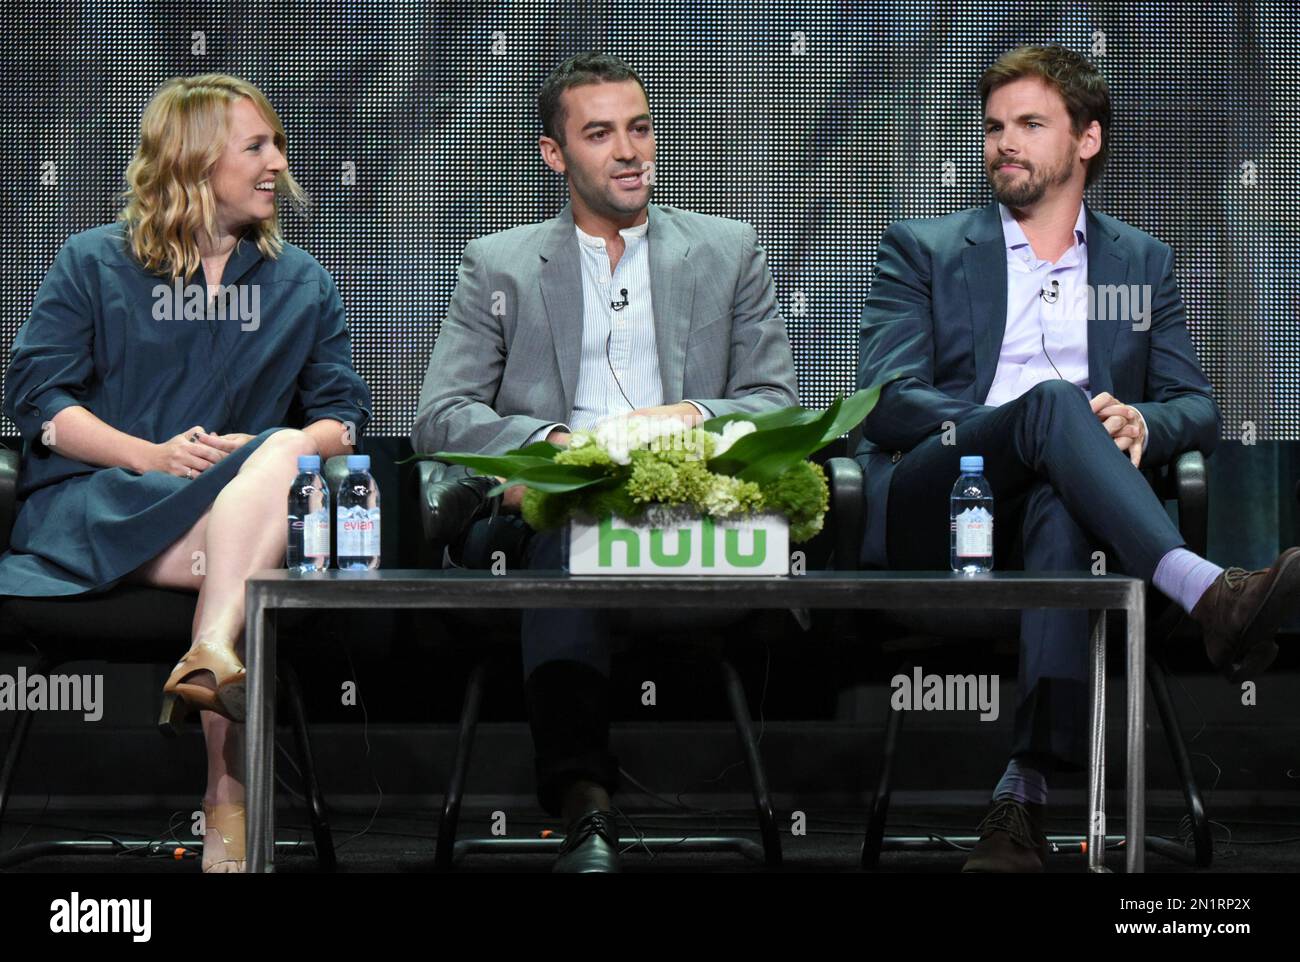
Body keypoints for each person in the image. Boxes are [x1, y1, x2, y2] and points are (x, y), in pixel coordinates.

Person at [856, 44, 1299, 873]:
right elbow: (884, 398)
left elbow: (1195, 406)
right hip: (941, 499)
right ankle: (1207, 593)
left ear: (1087, 141)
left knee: (1066, 491)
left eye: (1029, 124)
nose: (1003, 144)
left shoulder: (1140, 261)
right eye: (993, 127)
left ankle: (1020, 804)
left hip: (1062, 515)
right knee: (1057, 408)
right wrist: (1019, 424)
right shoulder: (922, 248)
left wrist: (1139, 421)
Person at [412, 51, 798, 872]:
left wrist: (685, 416)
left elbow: (774, 404)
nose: (629, 151)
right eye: (600, 134)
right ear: (555, 154)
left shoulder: (728, 251)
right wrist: (557, 447)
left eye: (640, 128)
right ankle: (584, 800)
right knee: (567, 518)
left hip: (683, 502)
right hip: (549, 506)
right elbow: (440, 417)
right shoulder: (500, 264)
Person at [0, 75, 372, 872]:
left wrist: (277, 449)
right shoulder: (93, 262)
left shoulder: (300, 282)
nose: (278, 161)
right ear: (195, 161)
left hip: (228, 514)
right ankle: (227, 799)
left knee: (278, 454)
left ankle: (208, 654)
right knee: (256, 567)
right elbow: (35, 397)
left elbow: (343, 416)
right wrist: (150, 454)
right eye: (256, 147)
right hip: (102, 506)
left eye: (276, 143)